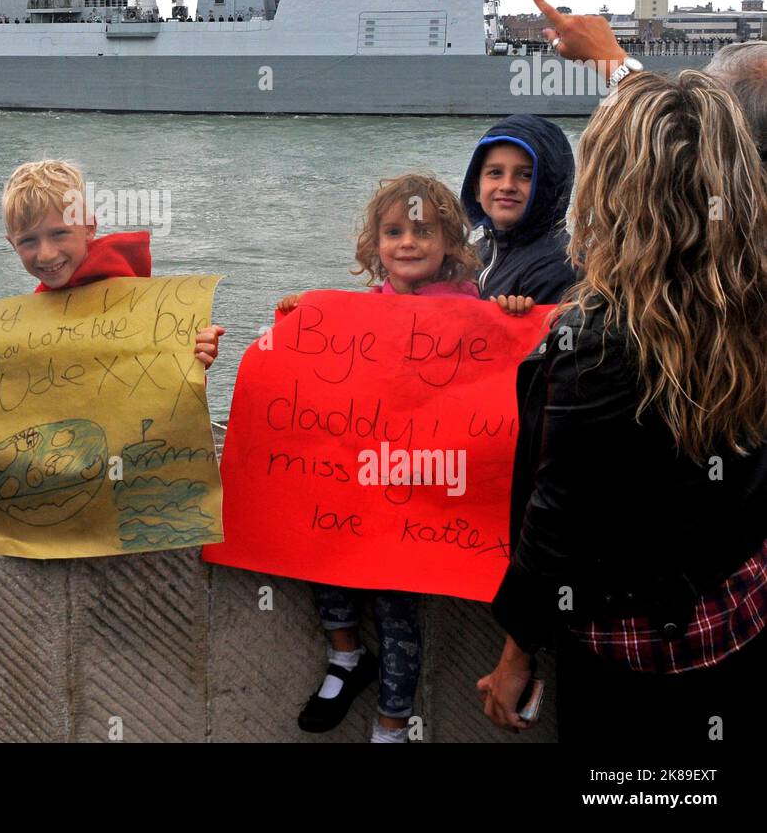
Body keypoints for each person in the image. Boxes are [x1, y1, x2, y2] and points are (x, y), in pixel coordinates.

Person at [478, 71, 767, 743]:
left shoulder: (601, 341)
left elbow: (561, 519)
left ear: (610, 191)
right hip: (740, 606)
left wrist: (518, 652)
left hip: (637, 646)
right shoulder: (751, 295)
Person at [276, 174, 525, 741]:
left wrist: (511, 316)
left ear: (451, 244)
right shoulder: (361, 312)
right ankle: (345, 656)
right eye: (393, 231)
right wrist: (303, 313)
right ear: (374, 245)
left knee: (396, 612)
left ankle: (391, 723)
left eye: (423, 230)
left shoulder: (473, 312)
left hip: (421, 500)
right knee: (320, 560)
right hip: (361, 485)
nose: (407, 242)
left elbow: (493, 380)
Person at [1, 159, 222, 366]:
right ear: (12, 244)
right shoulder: (28, 319)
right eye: (29, 241)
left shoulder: (138, 298)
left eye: (59, 234)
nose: (46, 254)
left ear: (89, 227)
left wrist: (194, 352)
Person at [460, 114, 576, 306]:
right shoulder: (475, 252)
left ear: (551, 188)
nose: (507, 186)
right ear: (477, 189)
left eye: (525, 175)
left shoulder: (556, 267)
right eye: (495, 172)